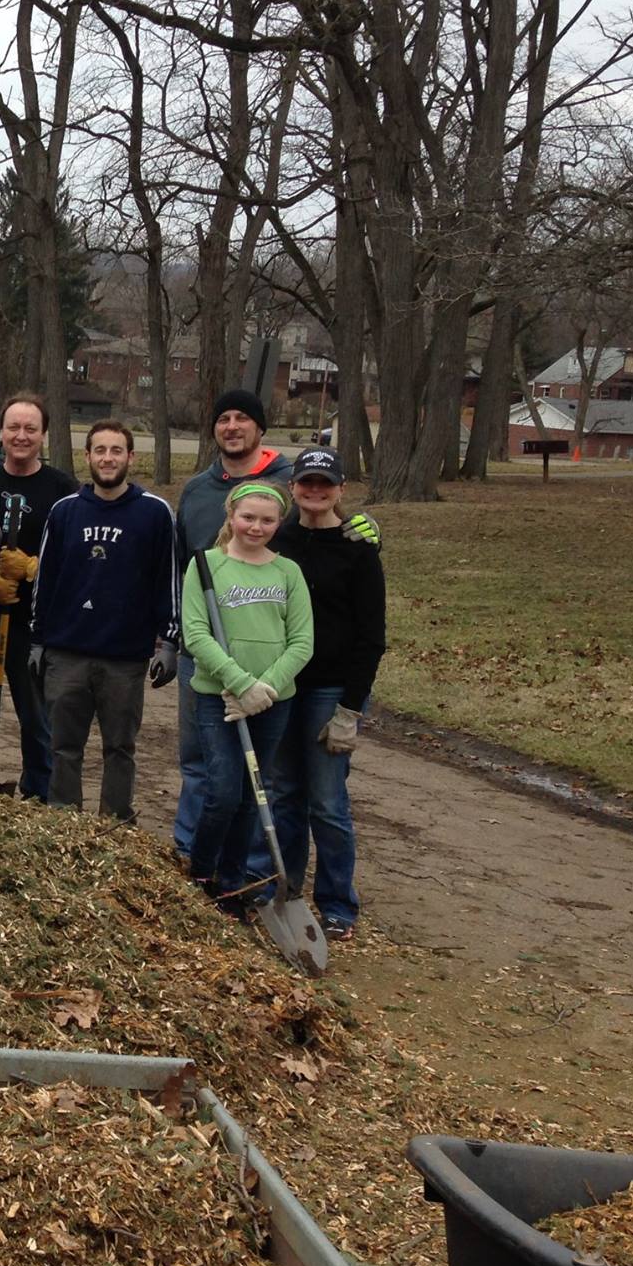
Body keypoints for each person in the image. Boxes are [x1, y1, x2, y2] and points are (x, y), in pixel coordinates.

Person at [173, 390, 377, 860]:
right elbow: (185, 564)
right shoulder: (208, 496)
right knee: (222, 772)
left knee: (299, 791)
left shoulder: (307, 506)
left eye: (242, 418)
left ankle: (293, 882)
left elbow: (364, 630)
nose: (232, 426)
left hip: (293, 678)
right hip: (222, 663)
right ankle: (210, 857)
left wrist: (367, 527)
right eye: (223, 418)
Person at [256, 448, 386, 939]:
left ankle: (337, 903)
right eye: (306, 482)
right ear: (292, 487)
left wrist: (350, 708)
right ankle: (285, 889)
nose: (315, 491)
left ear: (340, 489)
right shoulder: (277, 541)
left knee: (328, 802)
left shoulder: (358, 548)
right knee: (285, 793)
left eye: (324, 483)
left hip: (330, 689)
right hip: (283, 686)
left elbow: (371, 636)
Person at [29, 420, 180, 821]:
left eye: (116, 451)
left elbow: (167, 578)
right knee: (64, 746)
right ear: (88, 457)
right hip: (67, 652)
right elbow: (45, 579)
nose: (108, 458)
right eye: (100, 450)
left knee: (120, 747)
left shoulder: (154, 512)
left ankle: (115, 822)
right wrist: (37, 639)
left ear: (131, 457)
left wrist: (169, 639)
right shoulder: (65, 511)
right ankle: (64, 822)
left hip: (124, 657)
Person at [179, 482, 315, 911]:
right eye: (248, 517)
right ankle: (202, 871)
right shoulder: (206, 565)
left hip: (272, 702)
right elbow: (196, 634)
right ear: (231, 516)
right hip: (218, 697)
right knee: (223, 793)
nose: (256, 527)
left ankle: (232, 881)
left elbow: (302, 642)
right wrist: (240, 684)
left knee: (253, 795)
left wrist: (264, 690)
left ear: (279, 523)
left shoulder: (288, 572)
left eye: (267, 520)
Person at [0, 394, 78, 798]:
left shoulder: (62, 489)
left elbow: (75, 557)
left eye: (30, 429)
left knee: (37, 719)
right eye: (13, 427)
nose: (21, 436)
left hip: (36, 628)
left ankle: (39, 794)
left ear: (43, 435)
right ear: (1, 432)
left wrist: (35, 569)